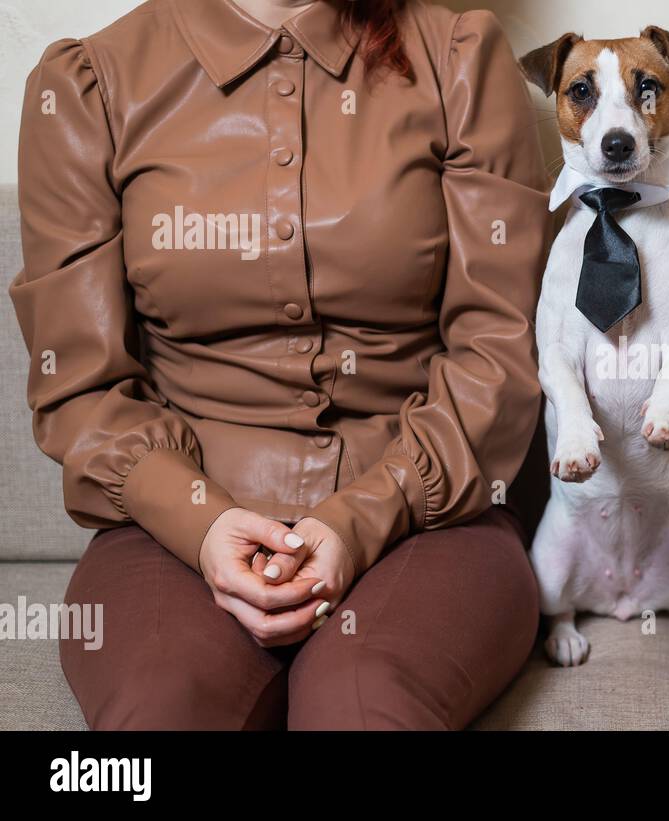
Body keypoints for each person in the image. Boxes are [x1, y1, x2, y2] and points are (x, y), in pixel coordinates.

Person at [11, 0, 549, 730]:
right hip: (170, 531)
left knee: (363, 704)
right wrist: (205, 523)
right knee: (159, 709)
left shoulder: (462, 59)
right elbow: (78, 385)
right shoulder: (87, 84)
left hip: (429, 518)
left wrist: (359, 520)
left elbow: (497, 357)